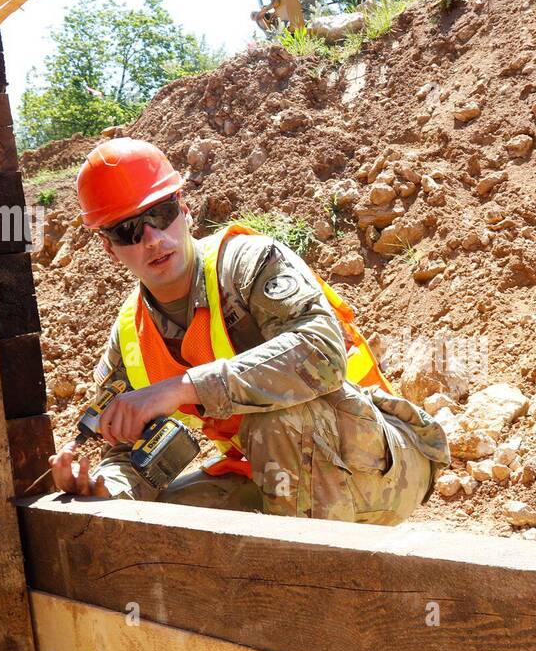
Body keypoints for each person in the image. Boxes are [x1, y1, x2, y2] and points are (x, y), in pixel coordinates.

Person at [47, 138, 449, 524]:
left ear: (183, 210)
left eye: (160, 214)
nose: (152, 238)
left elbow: (322, 353)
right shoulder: (131, 340)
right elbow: (124, 451)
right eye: (129, 230)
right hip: (272, 474)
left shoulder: (246, 264)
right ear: (108, 248)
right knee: (164, 522)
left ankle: (317, 584)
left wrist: (180, 388)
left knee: (277, 418)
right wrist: (104, 488)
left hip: (380, 462)